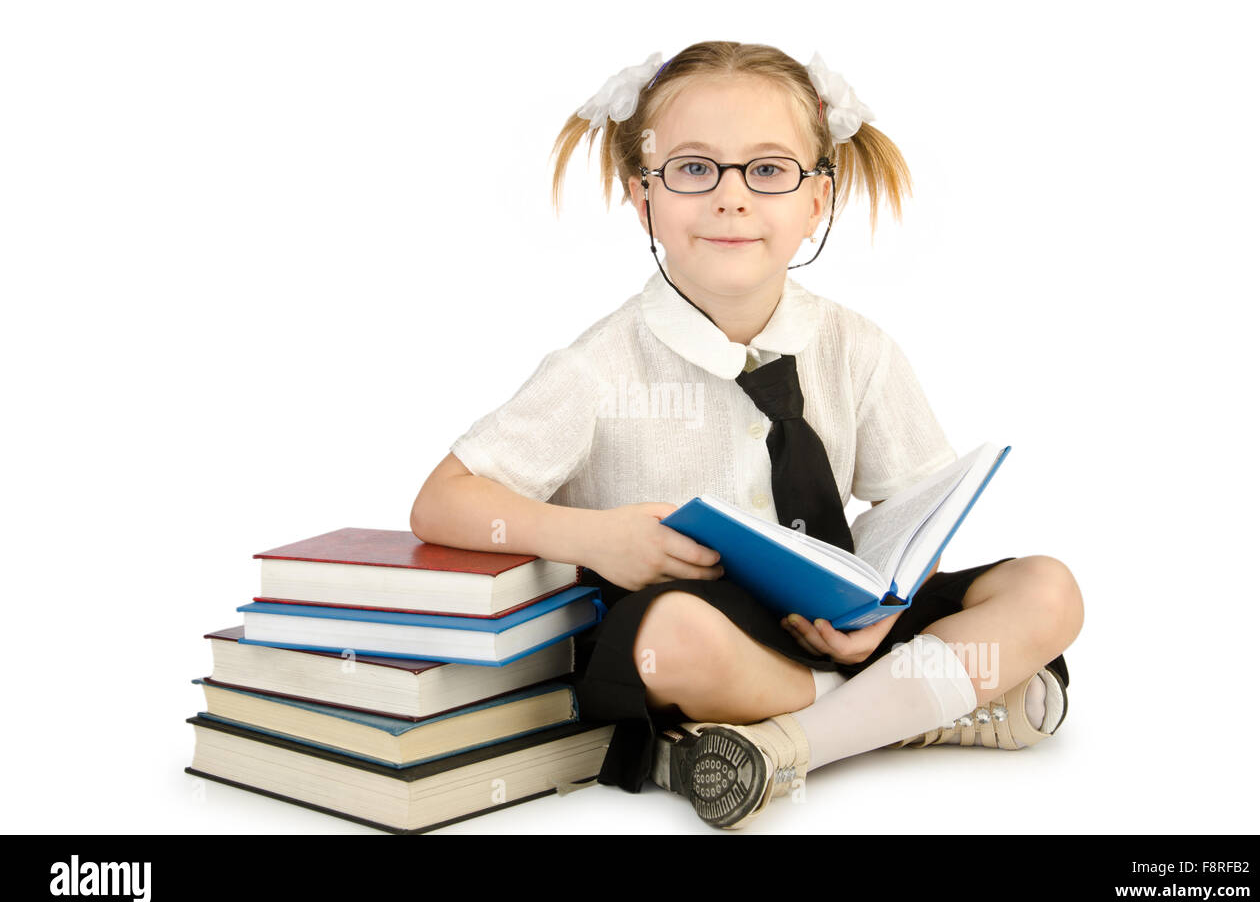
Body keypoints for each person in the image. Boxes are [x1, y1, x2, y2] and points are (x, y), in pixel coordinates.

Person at [409, 41, 1084, 831]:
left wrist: (885, 612)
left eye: (768, 171)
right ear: (643, 198)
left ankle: (794, 743)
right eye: (694, 169)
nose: (731, 199)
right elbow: (441, 501)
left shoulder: (855, 345)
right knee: (669, 636)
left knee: (1049, 588)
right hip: (715, 641)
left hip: (846, 626)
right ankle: (906, 712)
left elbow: (917, 503)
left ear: (817, 199)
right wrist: (595, 536)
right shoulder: (599, 365)